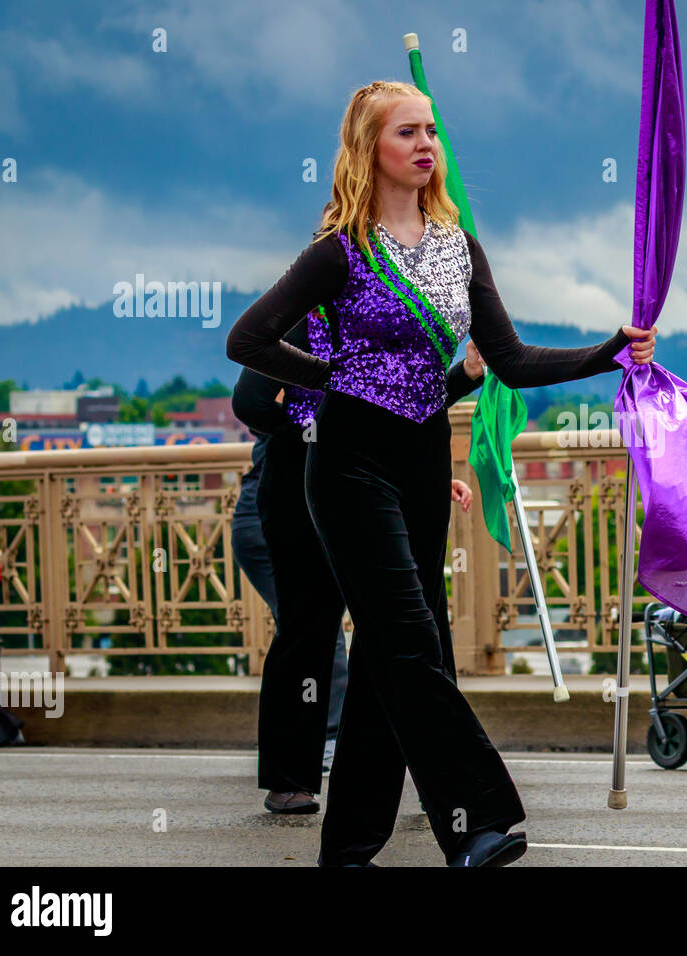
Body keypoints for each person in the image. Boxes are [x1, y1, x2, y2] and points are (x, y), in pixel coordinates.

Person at [226, 79, 656, 867]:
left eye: (432, 132)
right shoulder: (340, 252)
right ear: (370, 150)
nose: (426, 145)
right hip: (349, 458)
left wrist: (608, 351)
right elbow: (247, 343)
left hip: (425, 453)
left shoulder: (459, 247)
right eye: (406, 133)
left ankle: (349, 846)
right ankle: (477, 820)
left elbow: (513, 361)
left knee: (398, 649)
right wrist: (336, 380)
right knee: (411, 640)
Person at [231, 319, 484, 814]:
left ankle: (440, 772)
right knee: (309, 626)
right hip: (300, 487)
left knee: (415, 622)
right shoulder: (301, 320)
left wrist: (467, 375)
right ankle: (290, 776)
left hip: (376, 482)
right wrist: (311, 438)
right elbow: (250, 401)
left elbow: (408, 401)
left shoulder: (386, 317)